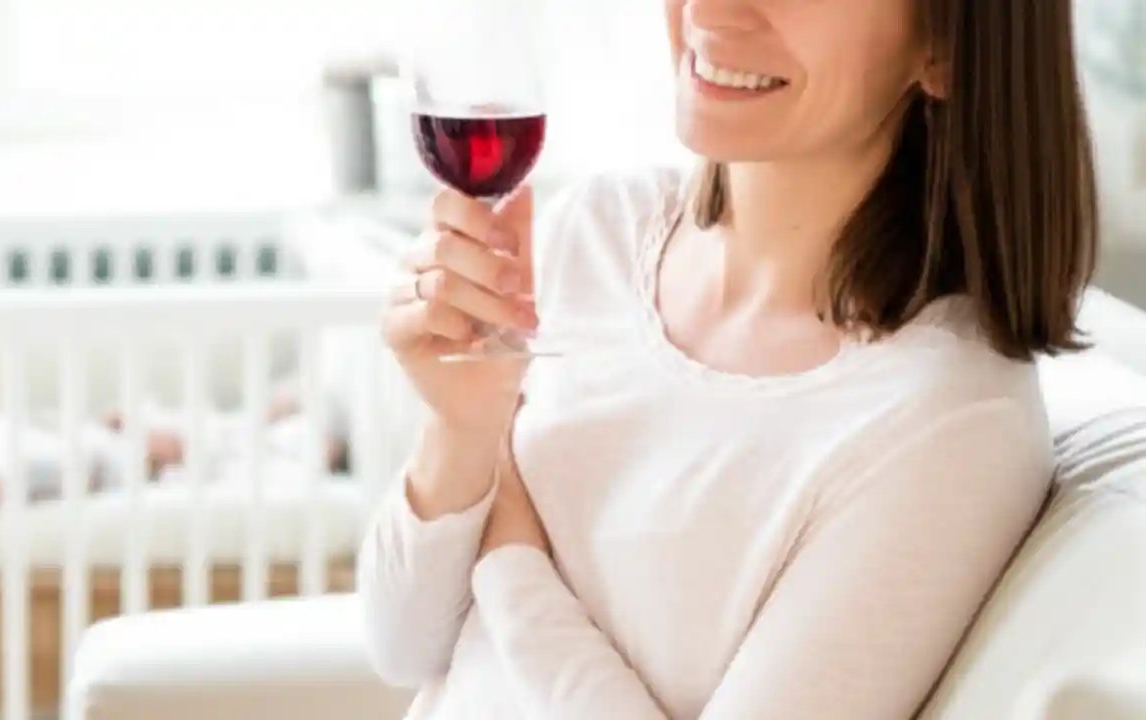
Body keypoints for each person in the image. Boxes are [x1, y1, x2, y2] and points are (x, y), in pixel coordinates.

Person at [361, 1, 1098, 718]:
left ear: (943, 43)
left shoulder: (947, 424)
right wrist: (459, 432)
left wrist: (511, 554)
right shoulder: (593, 234)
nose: (712, 11)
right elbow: (403, 646)